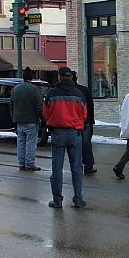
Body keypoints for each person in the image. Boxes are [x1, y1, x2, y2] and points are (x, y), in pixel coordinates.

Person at [43, 67, 87, 208]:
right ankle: (78, 198)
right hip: (74, 133)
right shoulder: (79, 94)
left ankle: (57, 199)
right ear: (71, 77)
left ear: (59, 77)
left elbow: (45, 113)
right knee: (76, 167)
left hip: (58, 133)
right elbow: (84, 114)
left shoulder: (52, 94)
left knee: (57, 167)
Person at [10, 68, 43, 171]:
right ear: (31, 78)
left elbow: (11, 105)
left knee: (20, 143)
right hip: (31, 120)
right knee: (30, 143)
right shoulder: (34, 89)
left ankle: (21, 163)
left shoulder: (16, 89)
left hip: (19, 120)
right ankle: (29, 163)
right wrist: (42, 118)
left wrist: (14, 117)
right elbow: (39, 106)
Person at [72, 71, 97, 175]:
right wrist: (91, 120)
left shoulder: (64, 91)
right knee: (86, 144)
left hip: (72, 123)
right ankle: (88, 165)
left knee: (74, 146)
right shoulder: (83, 90)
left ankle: (77, 166)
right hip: (84, 121)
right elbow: (90, 106)